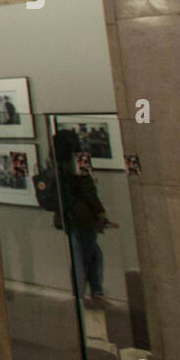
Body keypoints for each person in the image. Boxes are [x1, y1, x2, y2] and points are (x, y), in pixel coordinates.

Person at [52, 127, 108, 308]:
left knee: (89, 254)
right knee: (84, 256)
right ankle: (84, 295)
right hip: (83, 215)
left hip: (67, 214)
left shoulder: (54, 162)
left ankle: (91, 293)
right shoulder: (80, 160)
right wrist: (101, 212)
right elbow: (88, 191)